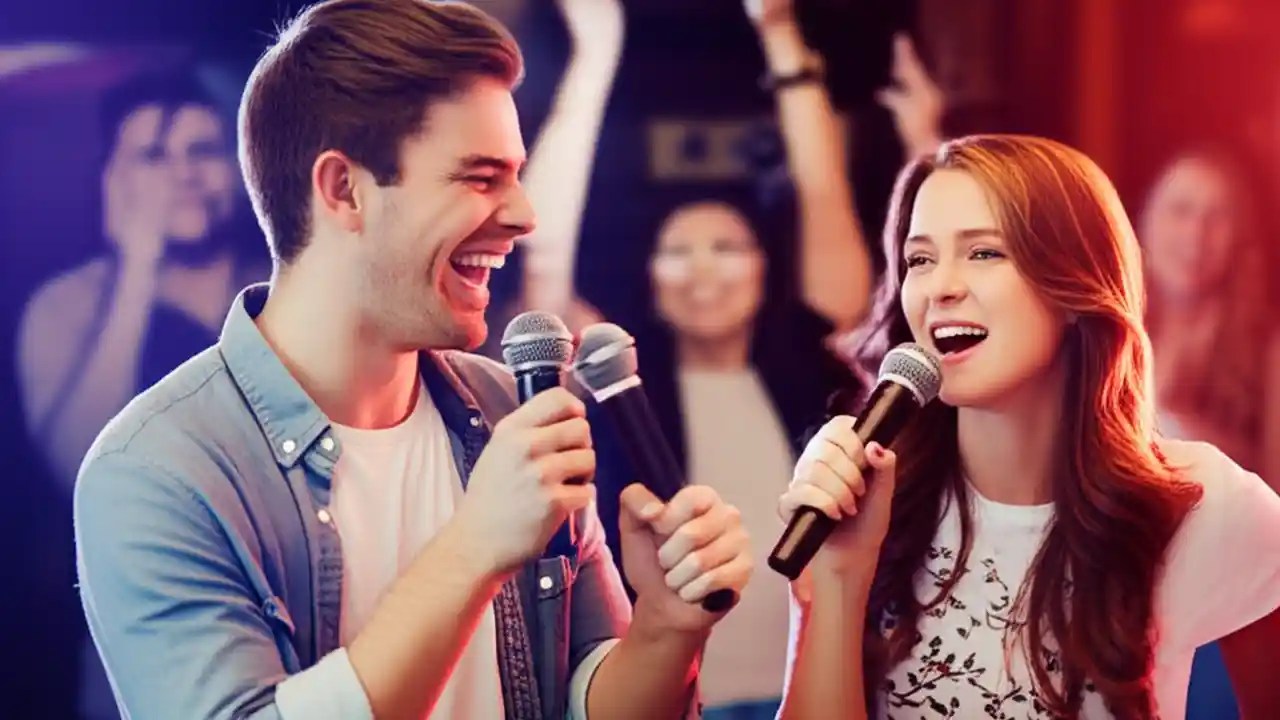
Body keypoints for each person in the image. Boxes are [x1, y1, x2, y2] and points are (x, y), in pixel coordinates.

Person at [73, 2, 752, 719]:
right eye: (480, 177)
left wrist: (665, 631)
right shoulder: (159, 468)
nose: (524, 215)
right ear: (343, 190)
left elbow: (587, 699)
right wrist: (474, 546)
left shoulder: (508, 411)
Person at [777, 135, 1280, 719]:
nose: (941, 287)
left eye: (984, 253)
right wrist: (839, 575)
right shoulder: (865, 491)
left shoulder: (1196, 501)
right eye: (919, 259)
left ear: (1074, 286)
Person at [14, 68, 266, 720]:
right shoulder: (69, 304)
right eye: (153, 155)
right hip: (142, 658)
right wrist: (136, 267)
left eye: (203, 150)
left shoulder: (280, 288)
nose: (181, 173)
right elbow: (78, 467)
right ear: (111, 179)